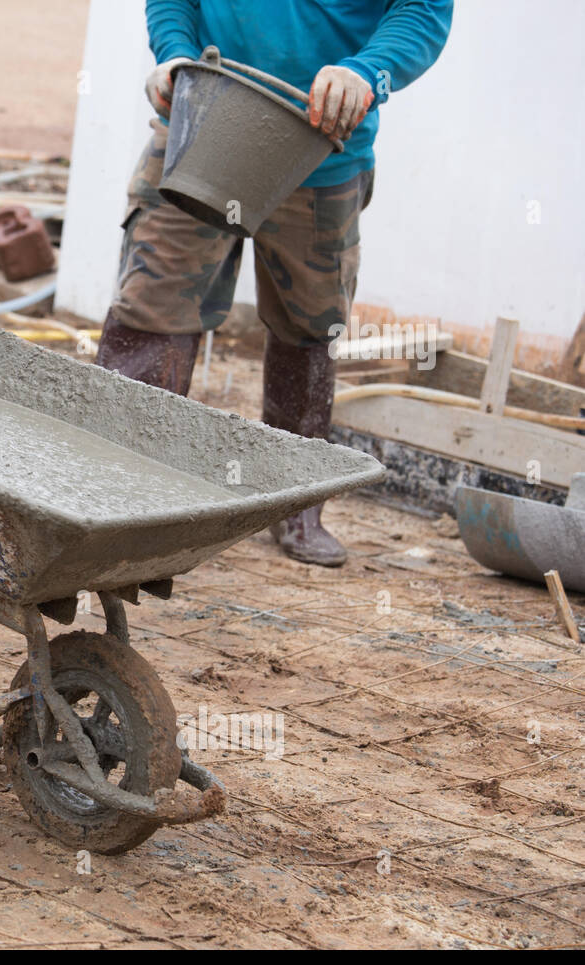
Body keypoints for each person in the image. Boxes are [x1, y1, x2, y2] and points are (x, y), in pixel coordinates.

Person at [98, 0, 452, 565]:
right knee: (152, 305)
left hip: (323, 147)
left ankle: (292, 503)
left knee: (311, 324)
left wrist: (366, 71)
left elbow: (421, 11)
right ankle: (115, 493)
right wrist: (175, 57)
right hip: (199, 128)